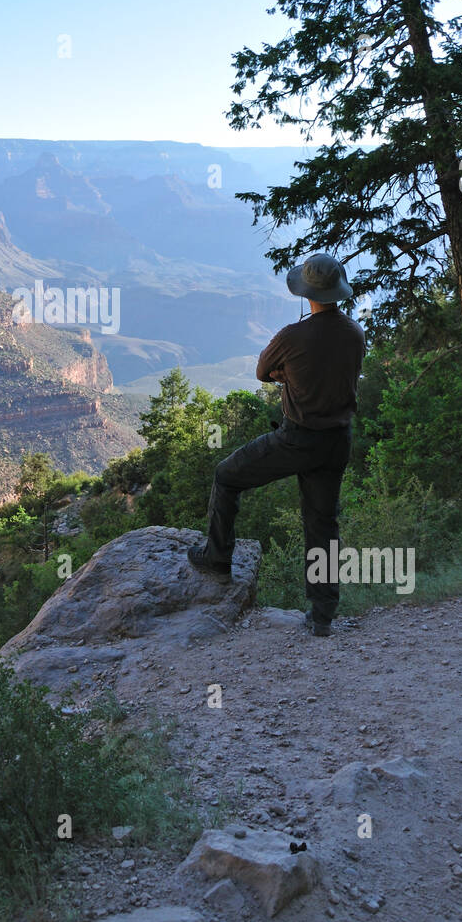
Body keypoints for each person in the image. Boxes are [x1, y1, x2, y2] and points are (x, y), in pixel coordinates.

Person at [187, 252, 366, 637]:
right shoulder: (355, 333)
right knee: (322, 524)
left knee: (227, 476)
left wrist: (289, 374)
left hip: (297, 438)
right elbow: (337, 375)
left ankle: (217, 557)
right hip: (337, 441)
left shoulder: (291, 336)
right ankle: (322, 614)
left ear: (307, 294)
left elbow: (262, 372)